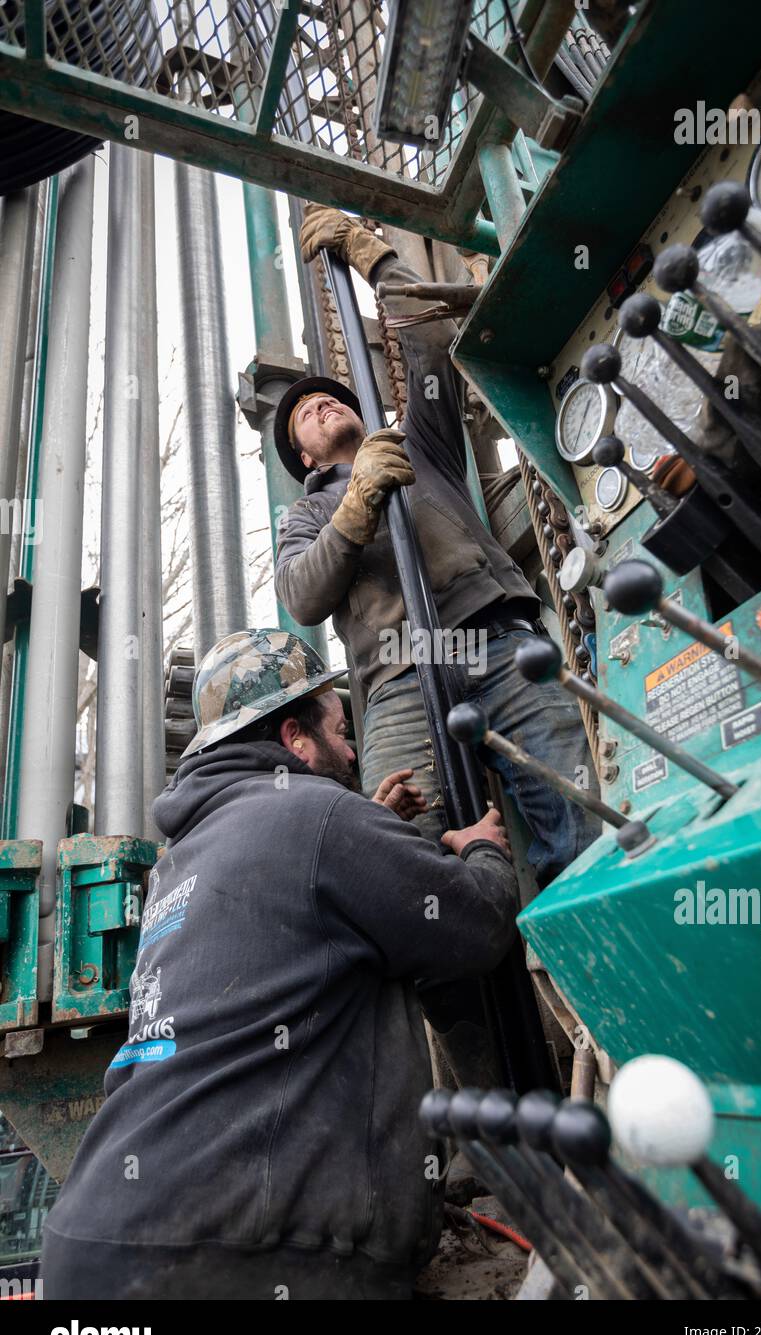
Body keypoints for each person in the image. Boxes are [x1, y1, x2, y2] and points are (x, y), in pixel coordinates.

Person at [39, 630, 517, 1301]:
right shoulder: (318, 816)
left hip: (90, 1252)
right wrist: (483, 852)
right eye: (342, 730)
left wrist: (370, 833)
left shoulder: (181, 861)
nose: (353, 752)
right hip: (238, 1258)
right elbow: (478, 925)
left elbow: (298, 915)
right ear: (295, 739)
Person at [273, 204, 598, 889]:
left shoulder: (424, 446)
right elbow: (303, 596)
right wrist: (356, 508)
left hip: (499, 643)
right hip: (397, 679)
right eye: (307, 412)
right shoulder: (304, 516)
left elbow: (431, 344)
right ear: (305, 459)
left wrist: (373, 255)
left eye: (333, 398)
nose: (324, 404)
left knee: (581, 816)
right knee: (402, 859)